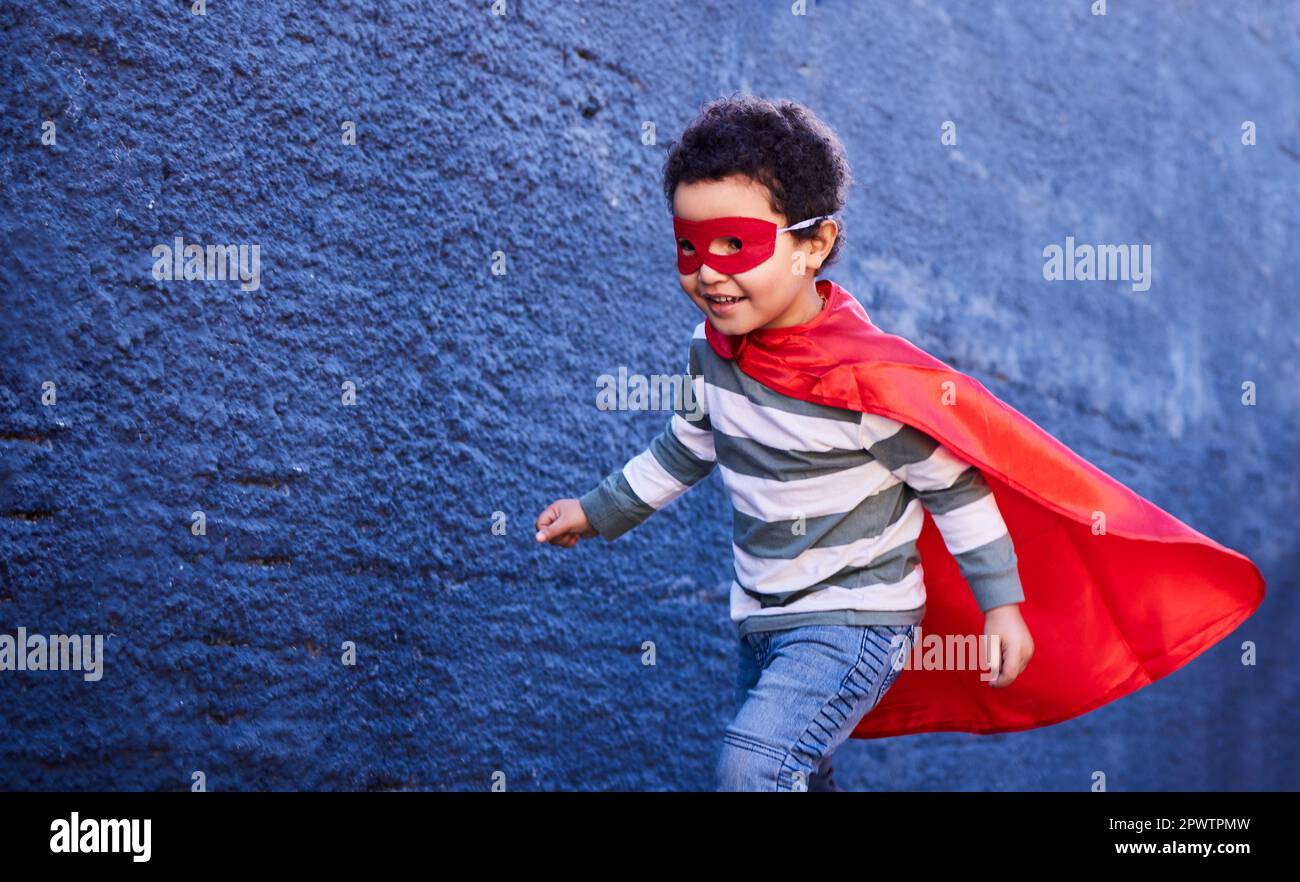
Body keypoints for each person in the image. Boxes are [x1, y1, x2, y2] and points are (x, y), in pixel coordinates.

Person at [534, 95, 1033, 791]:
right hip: (763, 615)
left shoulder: (864, 379)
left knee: (755, 767)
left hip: (858, 617)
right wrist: (597, 510)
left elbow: (954, 488)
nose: (708, 271)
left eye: (736, 244)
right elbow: (685, 448)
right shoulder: (710, 353)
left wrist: (1001, 604)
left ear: (814, 245)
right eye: (689, 245)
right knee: (799, 770)